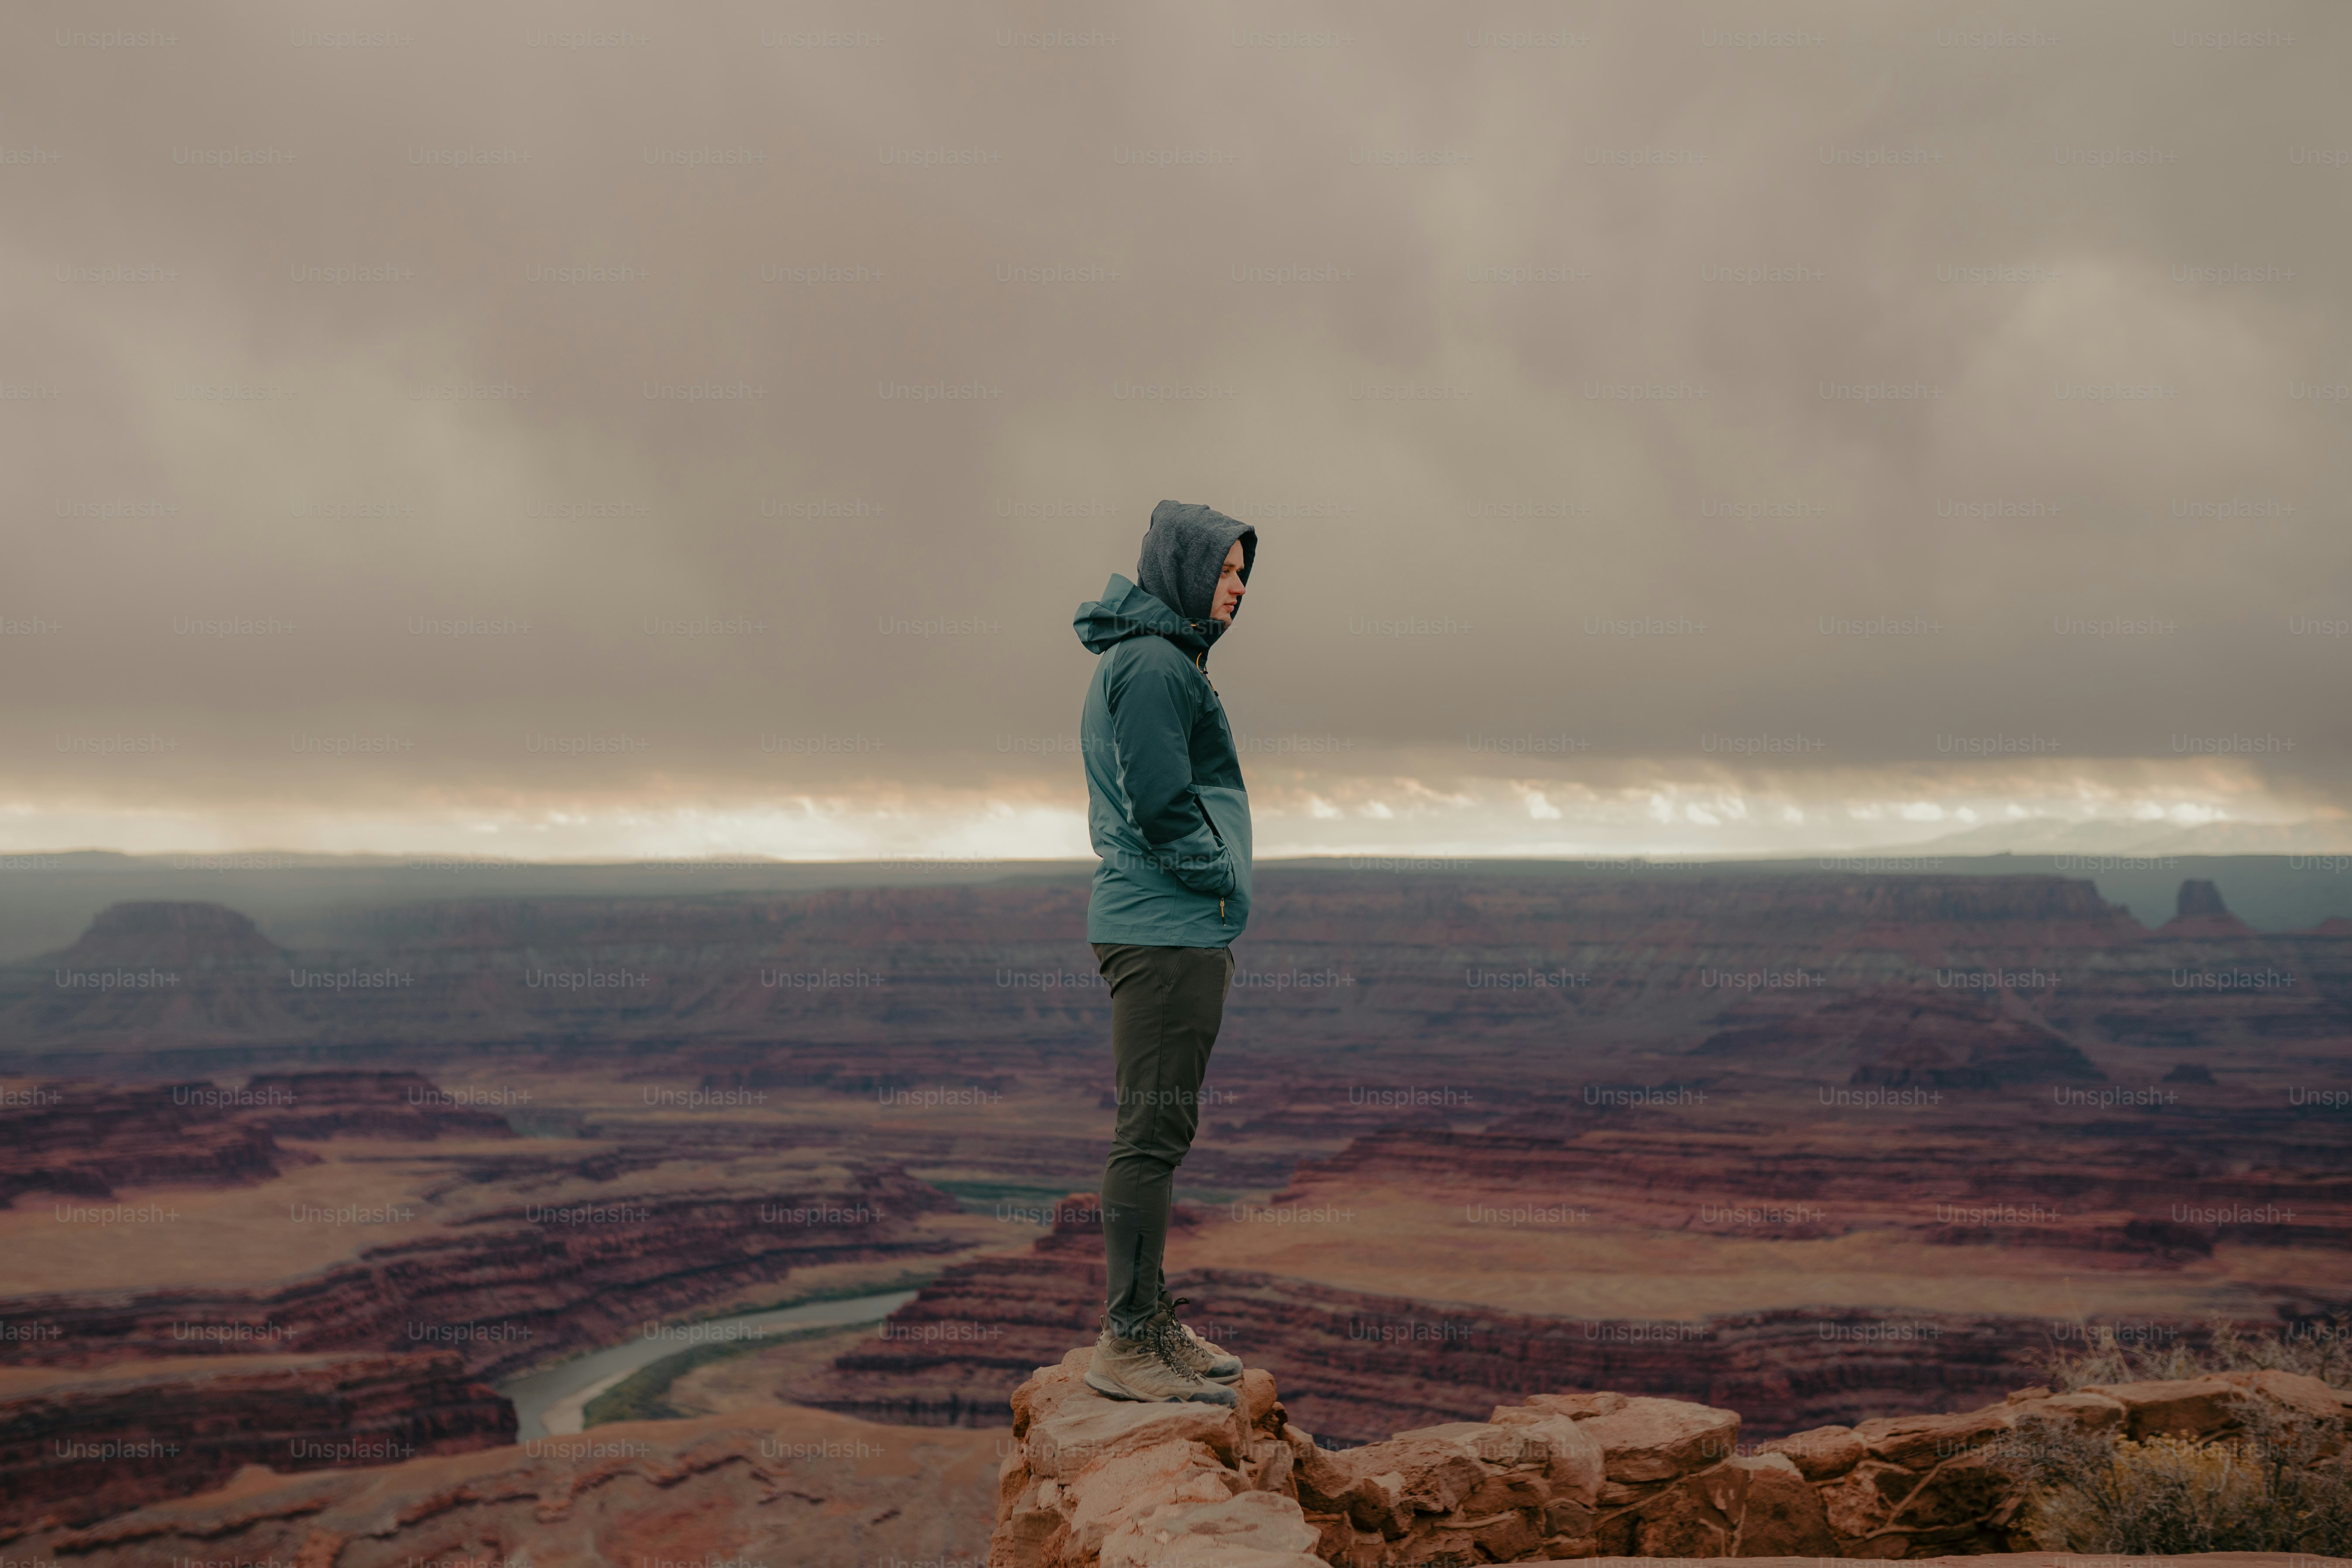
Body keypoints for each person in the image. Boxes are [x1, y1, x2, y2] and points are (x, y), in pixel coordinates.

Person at [1069, 500, 1257, 1405]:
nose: (1237, 590)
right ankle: (1128, 1340)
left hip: (1168, 927)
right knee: (1147, 1138)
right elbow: (1159, 804)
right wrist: (1218, 878)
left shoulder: (1157, 658)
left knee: (1161, 1133)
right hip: (1162, 925)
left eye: (1241, 577)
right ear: (1180, 568)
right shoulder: (1151, 666)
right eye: (1224, 571)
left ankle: (1149, 1317)